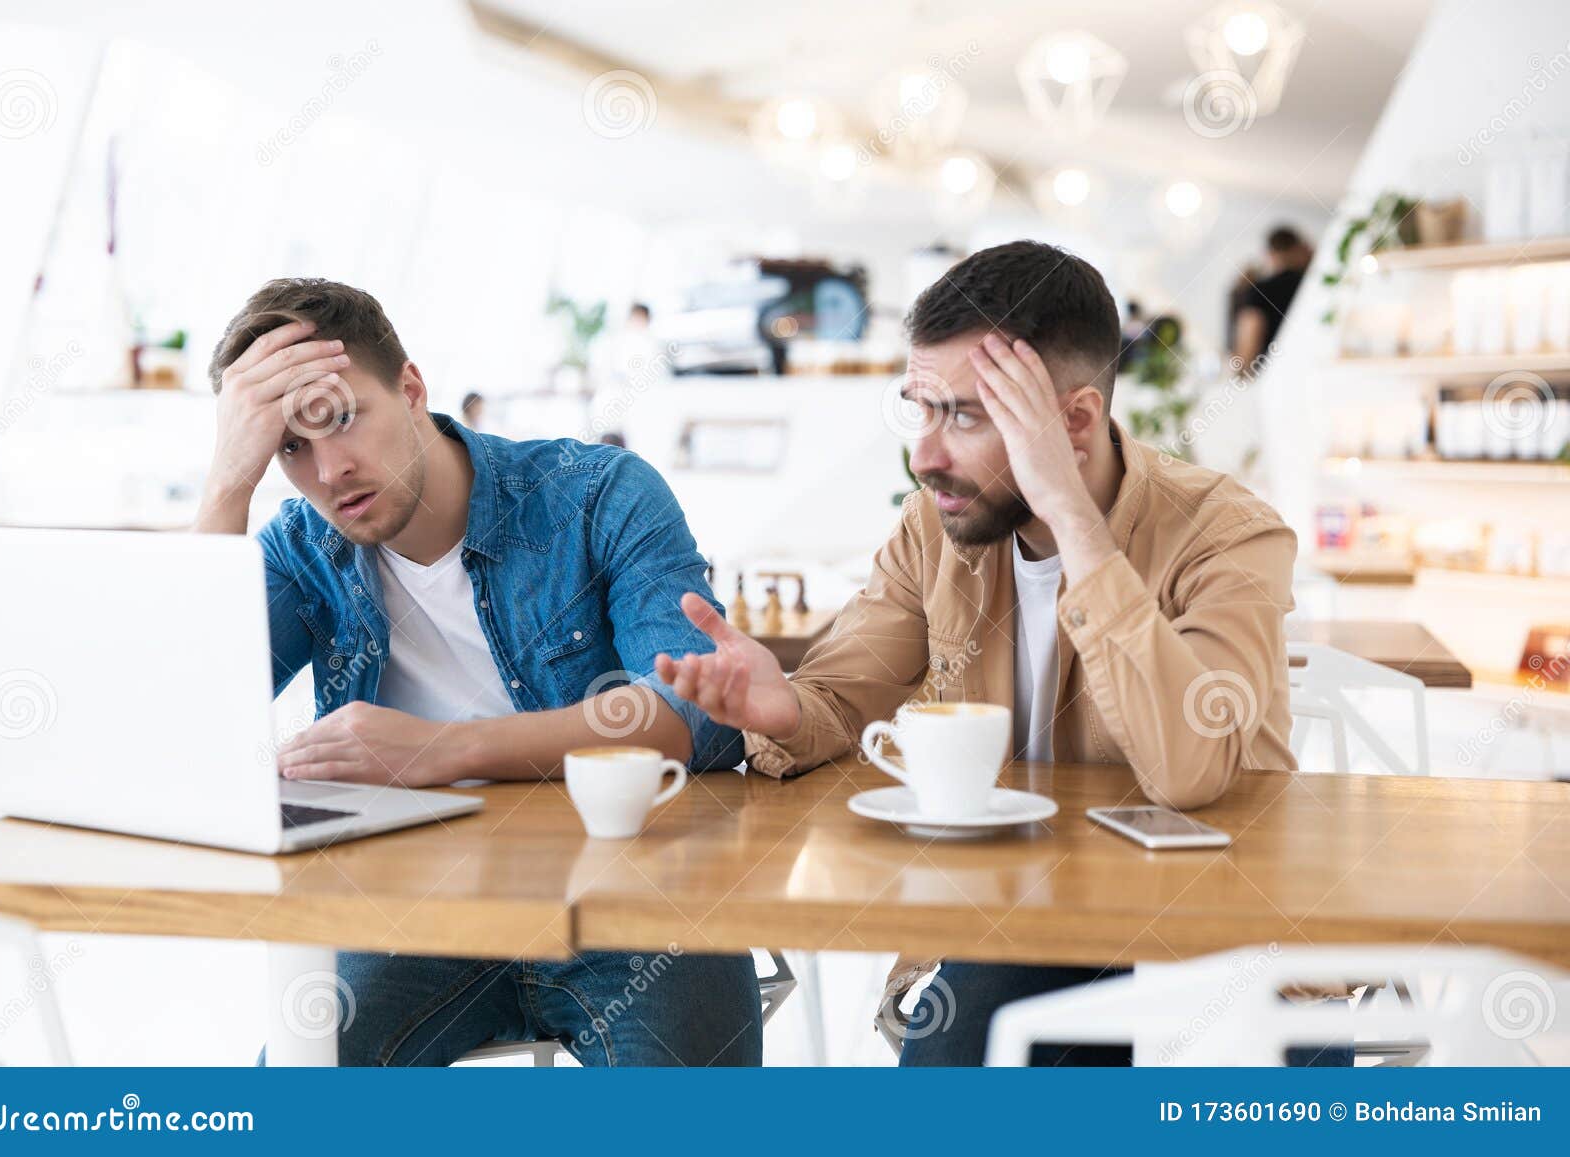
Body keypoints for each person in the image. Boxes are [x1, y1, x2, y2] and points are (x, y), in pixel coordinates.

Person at [654, 240, 1330, 1066]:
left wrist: (1070, 515)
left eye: (965, 415)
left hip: (1216, 932)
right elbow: (840, 695)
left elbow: (1190, 769)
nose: (924, 455)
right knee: (968, 1023)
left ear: (1074, 422)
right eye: (922, 409)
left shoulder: (1228, 534)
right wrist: (785, 705)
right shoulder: (934, 530)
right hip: (1019, 917)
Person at [194, 278, 759, 1067]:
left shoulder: (597, 496)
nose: (328, 471)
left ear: (412, 388)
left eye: (341, 418)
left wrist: (444, 750)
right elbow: (190, 720)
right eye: (288, 446)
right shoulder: (302, 548)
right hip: (416, 917)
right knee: (288, 1094)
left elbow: (694, 714)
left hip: (637, 903)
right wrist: (226, 484)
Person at [1230, 226, 1313, 374]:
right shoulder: (1310, 287)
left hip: (1270, 377)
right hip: (1307, 370)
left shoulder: (1259, 291)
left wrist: (1240, 374)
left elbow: (1248, 343)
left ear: (1270, 253)